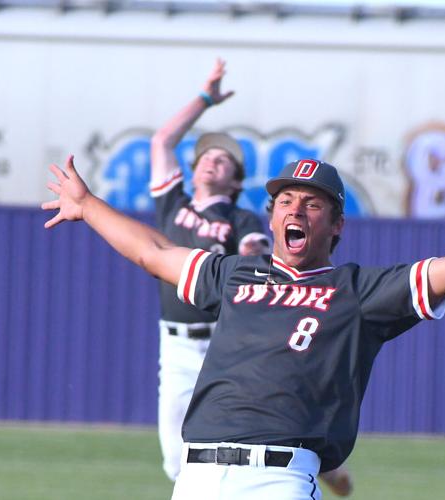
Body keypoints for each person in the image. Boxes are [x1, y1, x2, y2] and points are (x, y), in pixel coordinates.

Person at [43, 148, 445, 499]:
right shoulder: (235, 275)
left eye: (312, 202)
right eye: (286, 201)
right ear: (271, 217)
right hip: (196, 478)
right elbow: (153, 251)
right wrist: (88, 204)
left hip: (276, 480)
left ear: (337, 225)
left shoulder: (357, 292)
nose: (295, 208)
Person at [147, 59, 270, 484]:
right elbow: (163, 140)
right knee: (174, 461)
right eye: (207, 156)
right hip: (177, 347)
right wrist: (205, 99)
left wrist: (256, 253)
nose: (211, 161)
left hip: (223, 344)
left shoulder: (242, 219)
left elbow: (256, 255)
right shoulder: (173, 205)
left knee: (231, 445)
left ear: (236, 181)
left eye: (223, 160)